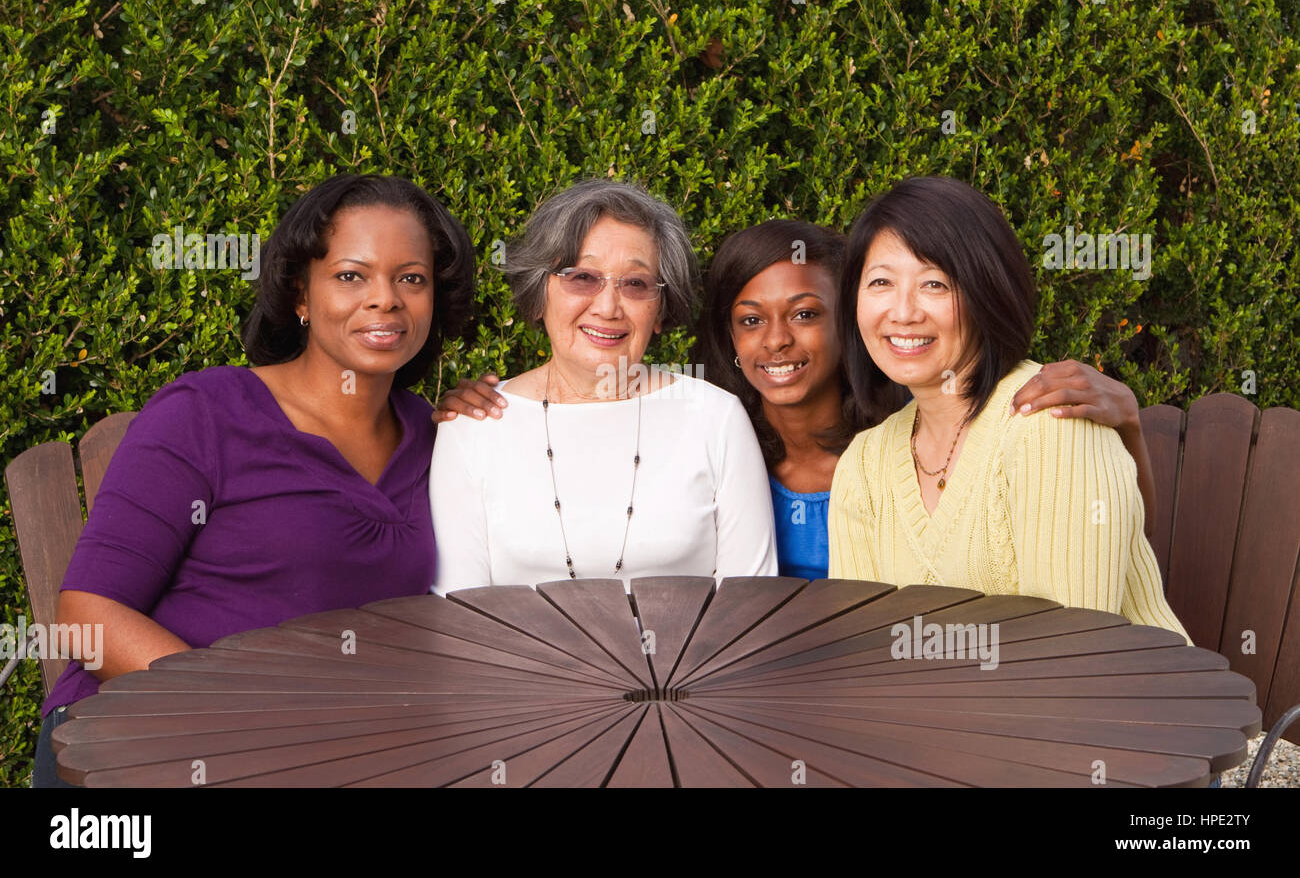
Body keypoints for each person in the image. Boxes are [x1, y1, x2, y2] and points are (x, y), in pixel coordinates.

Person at [32, 174, 476, 787]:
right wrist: (245, 724)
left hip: (328, 756)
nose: (385, 299)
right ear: (301, 291)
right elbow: (90, 613)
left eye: (412, 278)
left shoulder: (441, 440)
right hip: (136, 736)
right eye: (351, 275)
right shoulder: (208, 413)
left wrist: (495, 415)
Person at [439, 219, 1161, 582]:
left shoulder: (900, 440)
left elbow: (1100, 539)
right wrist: (495, 402)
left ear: (845, 319)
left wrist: (1125, 424)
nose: (776, 342)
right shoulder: (721, 434)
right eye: (750, 321)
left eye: (807, 315)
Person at [827, 175, 1188, 640]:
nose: (903, 312)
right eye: (880, 282)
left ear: (985, 292)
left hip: (1125, 706)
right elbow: (866, 653)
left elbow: (1070, 654)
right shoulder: (863, 465)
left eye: (934, 284)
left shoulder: (1051, 421)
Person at [428, 180, 776, 595]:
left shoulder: (715, 417)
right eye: (582, 277)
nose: (608, 307)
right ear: (539, 295)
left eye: (635, 284)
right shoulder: (473, 425)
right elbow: (461, 612)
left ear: (660, 310)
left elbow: (749, 602)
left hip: (691, 662)